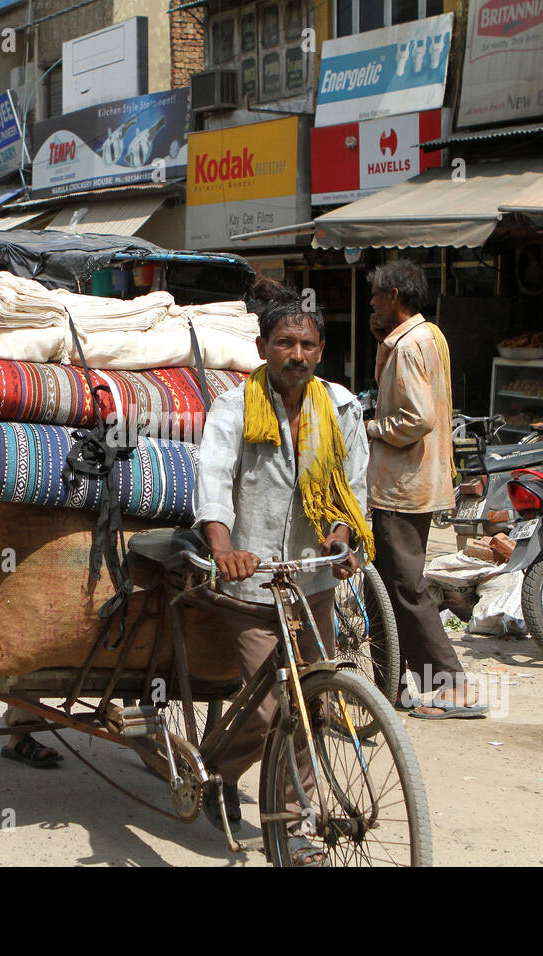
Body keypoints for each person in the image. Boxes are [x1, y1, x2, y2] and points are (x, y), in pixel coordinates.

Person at [193, 277, 371, 863]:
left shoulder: (340, 406)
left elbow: (354, 487)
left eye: (308, 345)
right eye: (285, 342)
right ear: (264, 346)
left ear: (321, 351)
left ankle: (286, 817)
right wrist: (223, 548)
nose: (297, 354)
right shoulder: (233, 406)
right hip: (251, 580)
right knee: (271, 705)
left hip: (312, 577)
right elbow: (214, 480)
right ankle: (226, 779)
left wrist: (343, 536)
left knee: (311, 704)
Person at [367, 261, 486, 720]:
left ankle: (453, 686)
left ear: (394, 295)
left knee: (406, 586)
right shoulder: (425, 336)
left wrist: (371, 427)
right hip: (415, 480)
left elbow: (416, 419)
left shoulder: (410, 345)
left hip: (402, 484)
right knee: (388, 586)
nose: (372, 305)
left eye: (376, 297)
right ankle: (391, 684)